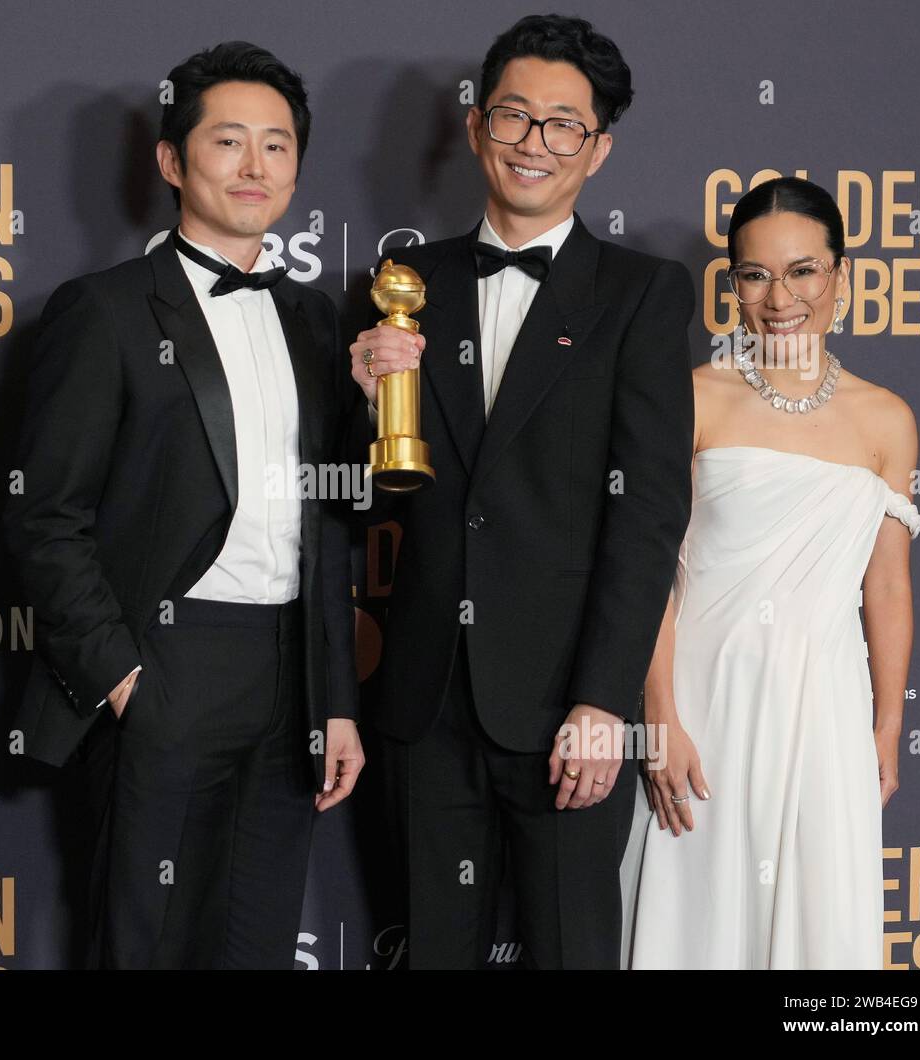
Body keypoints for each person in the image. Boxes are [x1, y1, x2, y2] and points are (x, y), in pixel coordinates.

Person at [3, 41, 363, 969]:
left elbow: (329, 522)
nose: (255, 167)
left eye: (277, 147)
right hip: (166, 659)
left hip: (289, 677)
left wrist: (336, 700)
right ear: (172, 161)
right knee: (147, 942)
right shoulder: (106, 311)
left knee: (257, 937)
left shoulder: (317, 318)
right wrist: (124, 677)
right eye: (229, 142)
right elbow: (44, 517)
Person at [346, 14, 695, 968]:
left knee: (571, 952)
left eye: (563, 125)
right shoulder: (403, 285)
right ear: (474, 128)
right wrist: (359, 398)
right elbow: (355, 494)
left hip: (565, 709)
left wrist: (601, 702)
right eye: (514, 118)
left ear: (599, 148)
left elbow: (650, 512)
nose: (534, 144)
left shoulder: (644, 294)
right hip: (423, 705)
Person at [619, 176, 920, 969]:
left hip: (825, 713)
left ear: (841, 278)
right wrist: (660, 718)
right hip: (703, 708)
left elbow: (886, 585)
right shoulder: (693, 399)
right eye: (755, 274)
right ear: (733, 287)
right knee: (698, 920)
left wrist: (885, 727)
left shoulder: (887, 419)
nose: (780, 296)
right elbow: (648, 567)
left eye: (804, 271)